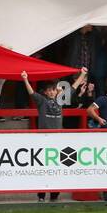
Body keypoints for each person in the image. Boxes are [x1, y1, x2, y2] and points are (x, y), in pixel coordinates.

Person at [21, 66, 88, 200]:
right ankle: (41, 195)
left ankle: (54, 194)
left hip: (57, 139)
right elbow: (31, 93)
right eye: (49, 90)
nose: (51, 92)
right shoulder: (42, 101)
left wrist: (82, 74)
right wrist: (25, 79)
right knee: (43, 169)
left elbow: (73, 88)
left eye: (53, 90)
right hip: (44, 139)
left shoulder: (60, 100)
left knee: (57, 168)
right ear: (45, 92)